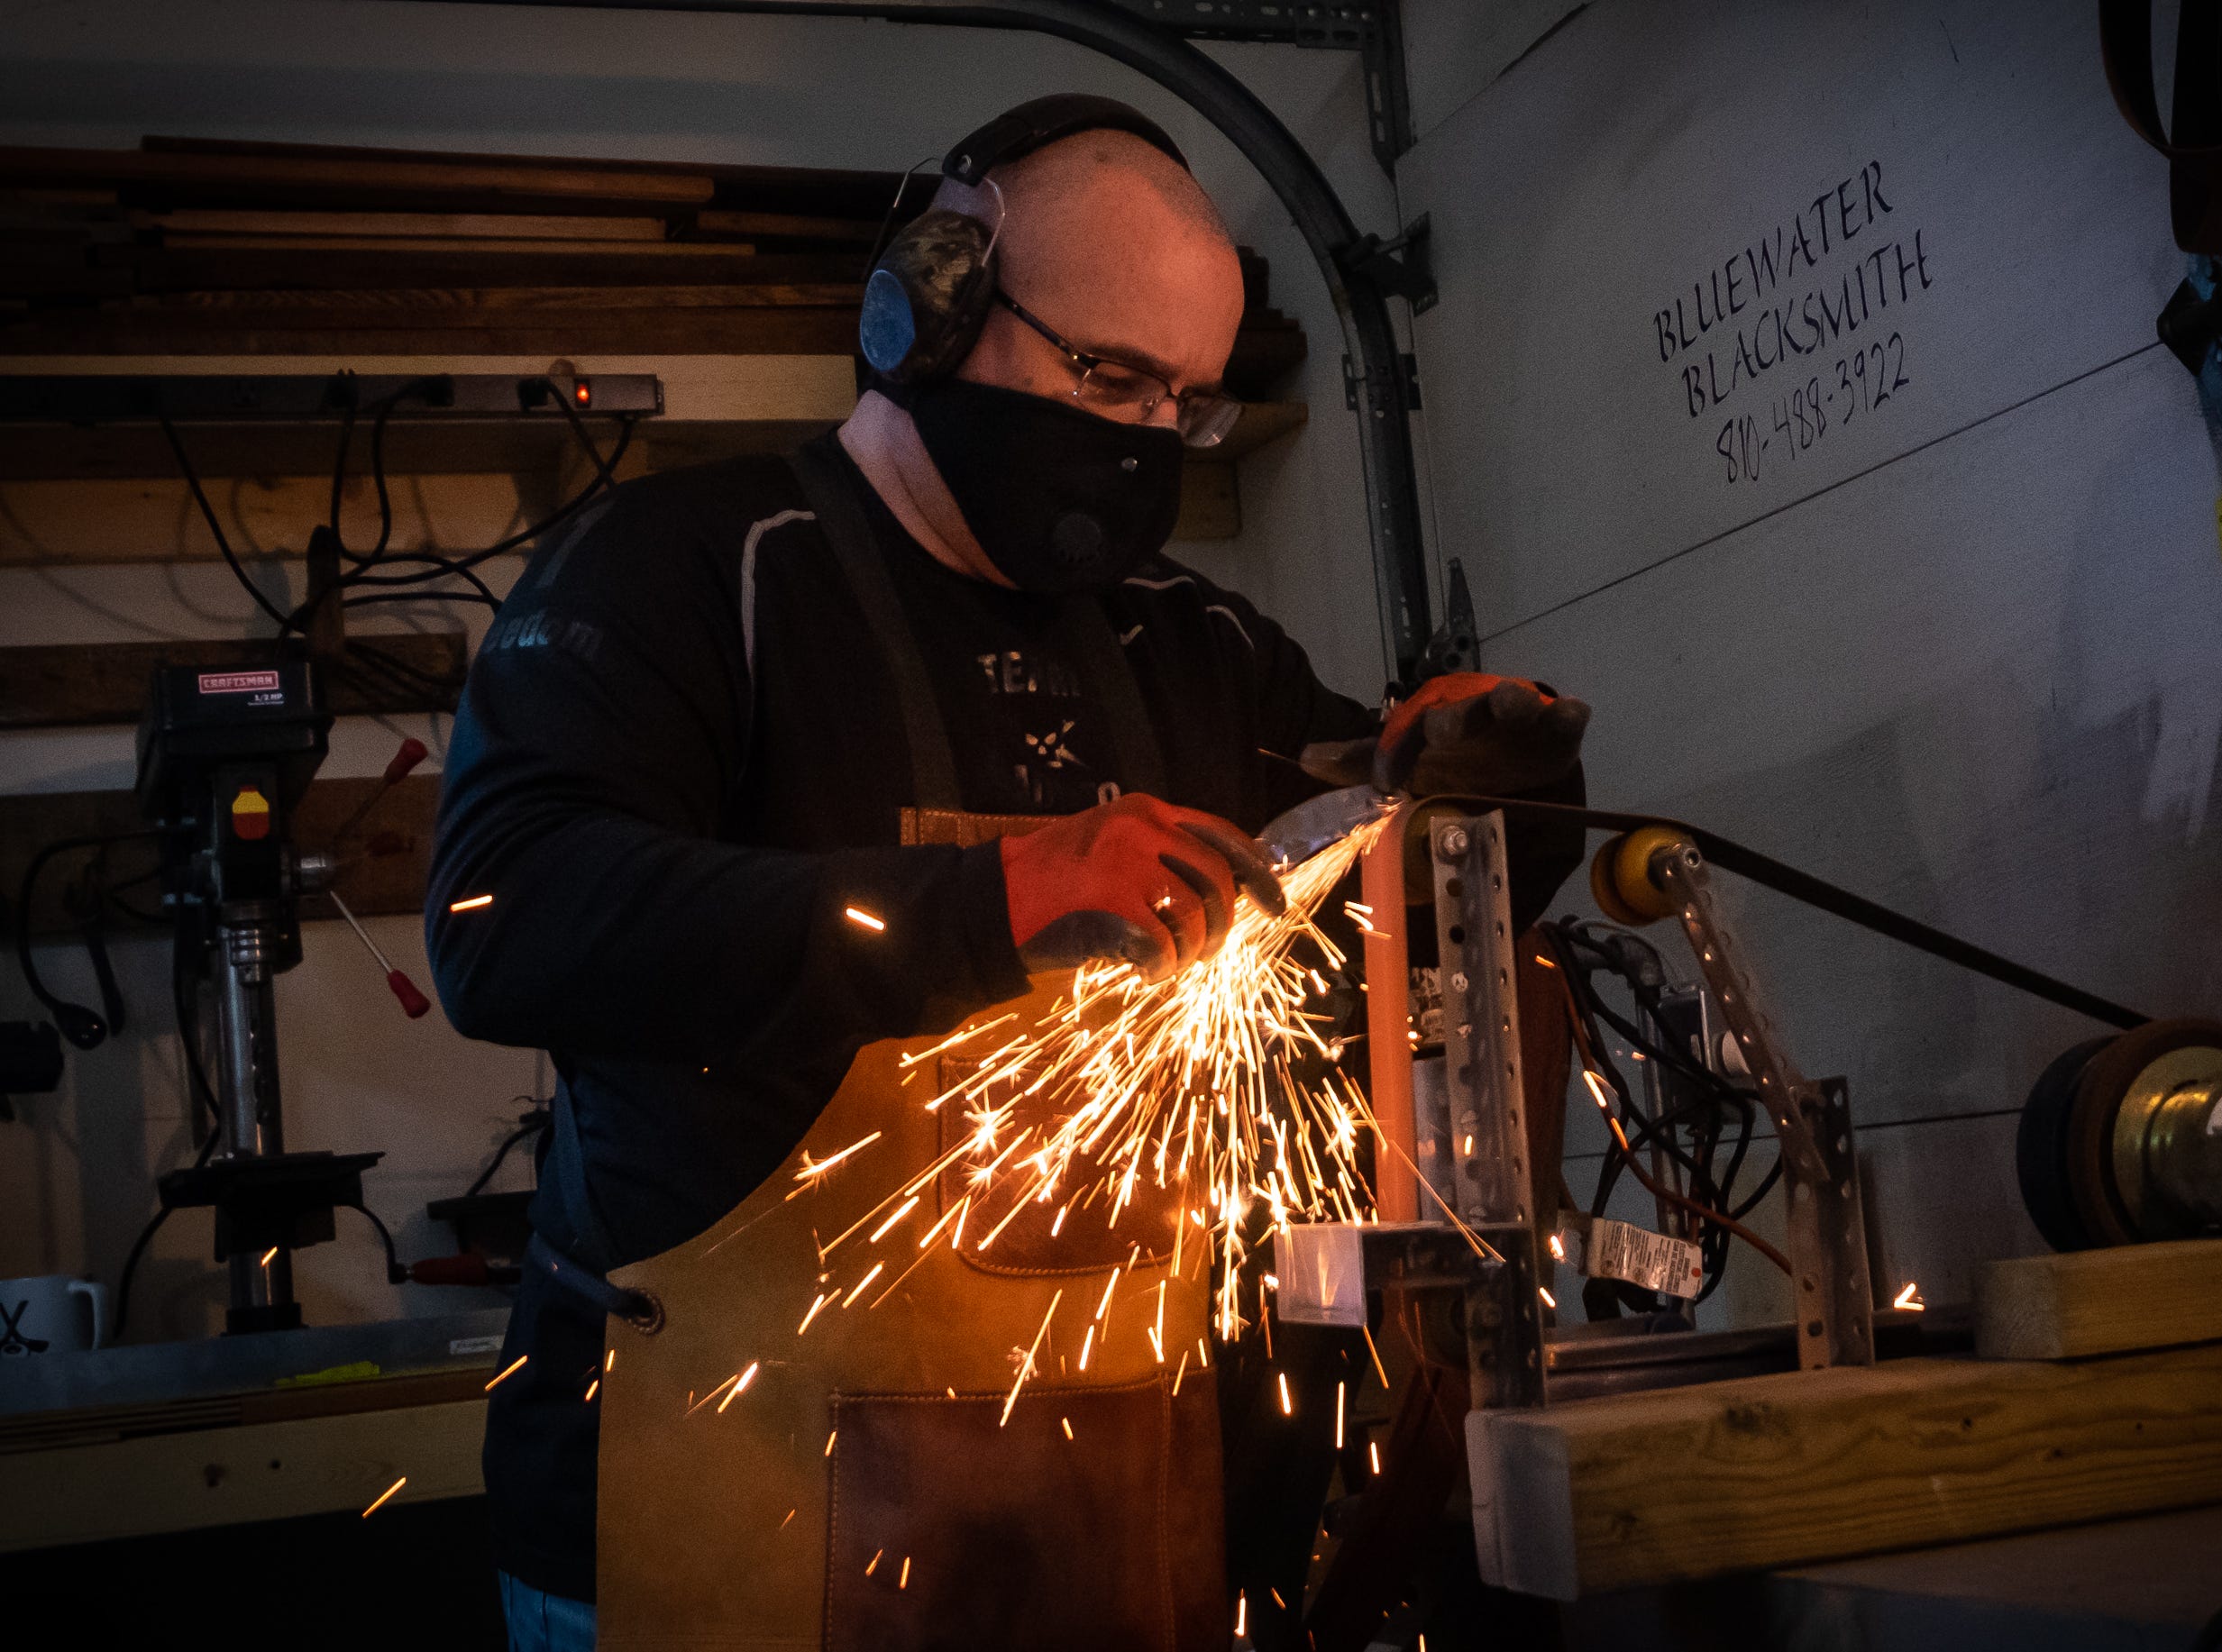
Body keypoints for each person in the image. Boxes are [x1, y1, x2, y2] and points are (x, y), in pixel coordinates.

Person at [425, 95, 1588, 1652]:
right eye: (1105, 374)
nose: (1138, 440)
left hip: (1107, 1504)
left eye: (1181, 403)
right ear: (931, 303)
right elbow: (511, 917)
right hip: (708, 1492)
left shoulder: (1200, 647)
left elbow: (1396, 917)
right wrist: (992, 907)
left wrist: (1489, 801)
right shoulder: (690, 569)